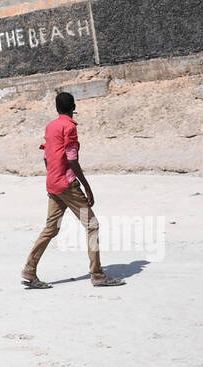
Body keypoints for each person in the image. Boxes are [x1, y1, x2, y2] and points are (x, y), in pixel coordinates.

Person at [20, 91, 125, 289]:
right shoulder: (69, 127)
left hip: (53, 184)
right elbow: (72, 159)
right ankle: (97, 274)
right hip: (68, 186)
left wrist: (54, 175)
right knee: (92, 225)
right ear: (73, 107)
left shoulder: (51, 127)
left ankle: (30, 270)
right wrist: (86, 186)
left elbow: (46, 157)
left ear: (57, 108)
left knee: (51, 228)